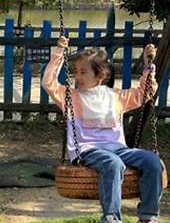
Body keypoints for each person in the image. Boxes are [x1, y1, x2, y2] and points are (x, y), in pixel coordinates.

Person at [42, 37, 163, 223]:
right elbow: (48, 83)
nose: (78, 77)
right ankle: (111, 218)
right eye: (76, 72)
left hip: (119, 149)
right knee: (113, 163)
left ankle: (148, 216)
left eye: (83, 72)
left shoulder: (115, 97)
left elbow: (144, 92)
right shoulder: (71, 98)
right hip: (88, 150)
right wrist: (59, 52)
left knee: (153, 162)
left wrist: (148, 66)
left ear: (100, 75)